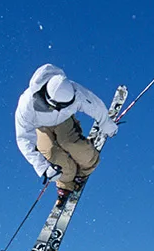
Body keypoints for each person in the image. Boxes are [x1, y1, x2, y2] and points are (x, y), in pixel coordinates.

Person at [14, 64, 118, 205]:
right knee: (53, 154)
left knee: (71, 144)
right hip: (41, 127)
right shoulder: (27, 105)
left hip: (64, 121)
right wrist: (42, 167)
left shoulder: (74, 92)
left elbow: (94, 104)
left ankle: (83, 171)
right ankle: (66, 182)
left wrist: (105, 123)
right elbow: (23, 138)